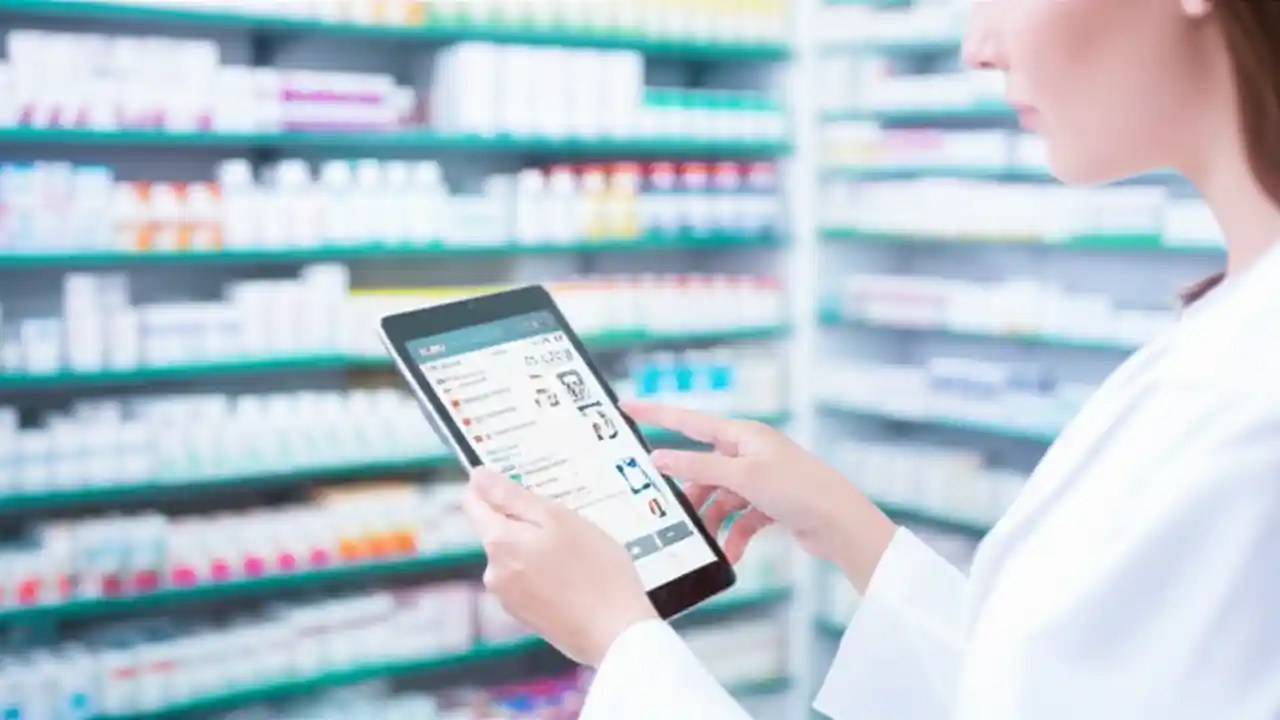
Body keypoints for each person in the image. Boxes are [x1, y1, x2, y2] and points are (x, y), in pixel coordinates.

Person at [461, 0, 1280, 716]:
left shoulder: (1250, 405)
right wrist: (849, 527)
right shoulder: (1228, 332)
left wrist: (623, 642)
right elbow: (1038, 693)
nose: (977, 45)